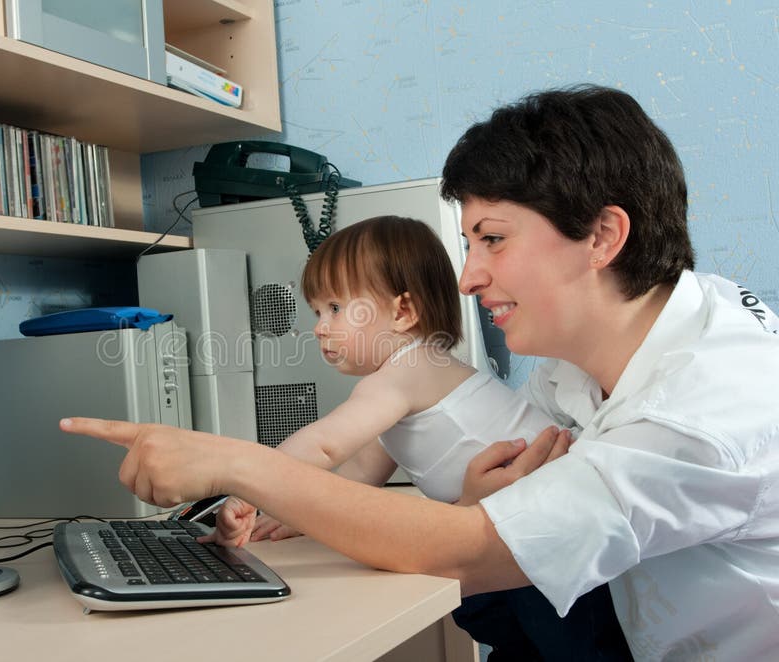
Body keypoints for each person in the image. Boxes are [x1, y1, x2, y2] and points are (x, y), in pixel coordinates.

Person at [60, 84, 779, 661]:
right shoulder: (607, 349)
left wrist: (235, 465)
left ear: (602, 235)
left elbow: (469, 547)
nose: (468, 279)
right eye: (469, 245)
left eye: (492, 240)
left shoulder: (705, 404)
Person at [209, 215, 558, 547]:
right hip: (528, 519)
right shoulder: (405, 385)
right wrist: (302, 516)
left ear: (402, 312)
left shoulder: (407, 373)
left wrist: (249, 488)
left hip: (545, 517)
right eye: (317, 312)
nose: (319, 328)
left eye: (335, 308)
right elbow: (361, 473)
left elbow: (325, 445)